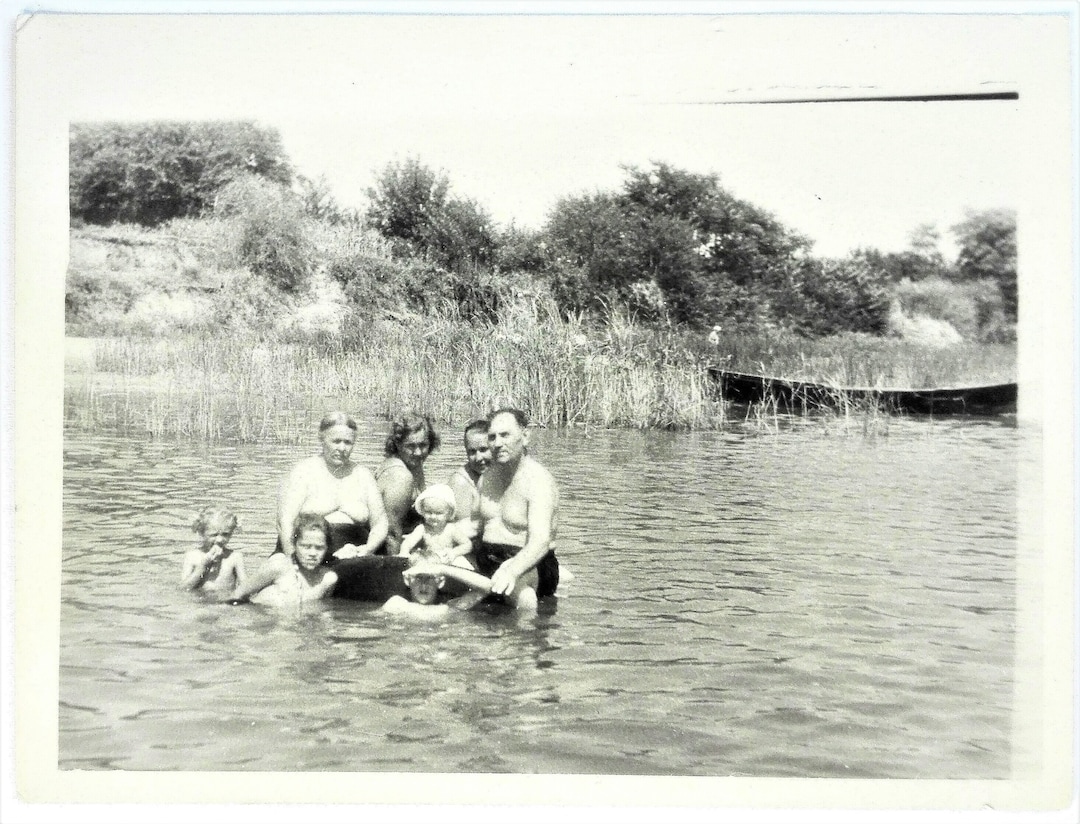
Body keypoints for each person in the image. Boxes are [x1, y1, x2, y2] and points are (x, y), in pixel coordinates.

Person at [473, 407, 560, 610]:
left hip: (530, 565)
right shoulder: (486, 479)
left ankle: (526, 636)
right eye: (492, 437)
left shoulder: (539, 481)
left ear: (525, 436)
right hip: (488, 559)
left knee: (519, 591)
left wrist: (512, 570)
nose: (498, 443)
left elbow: (540, 542)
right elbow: (474, 528)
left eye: (505, 435)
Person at [275, 412, 388, 562]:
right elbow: (284, 522)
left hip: (355, 556)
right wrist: (293, 560)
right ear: (321, 439)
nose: (342, 448)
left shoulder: (363, 475)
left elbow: (380, 522)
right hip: (307, 556)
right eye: (336, 441)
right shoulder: (303, 472)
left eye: (348, 442)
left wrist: (368, 549)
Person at [231, 514, 338, 608]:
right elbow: (238, 594)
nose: (313, 553)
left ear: (327, 548)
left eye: (319, 548)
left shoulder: (327, 579)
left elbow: (322, 612)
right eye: (305, 546)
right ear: (294, 544)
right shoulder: (278, 567)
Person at [375, 413, 440, 554]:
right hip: (386, 552)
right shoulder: (400, 475)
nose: (418, 452)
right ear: (397, 444)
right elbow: (391, 533)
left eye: (423, 445)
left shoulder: (413, 465)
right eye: (411, 446)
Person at [180, 506, 246, 595]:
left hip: (225, 601)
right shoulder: (192, 556)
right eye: (213, 535)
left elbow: (245, 586)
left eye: (225, 534)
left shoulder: (235, 557)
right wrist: (203, 566)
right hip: (199, 602)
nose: (219, 539)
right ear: (201, 533)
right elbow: (183, 588)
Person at [448, 418, 491, 521]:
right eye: (472, 452)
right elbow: (464, 531)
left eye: (483, 449)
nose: (478, 458)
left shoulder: (503, 472)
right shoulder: (461, 482)